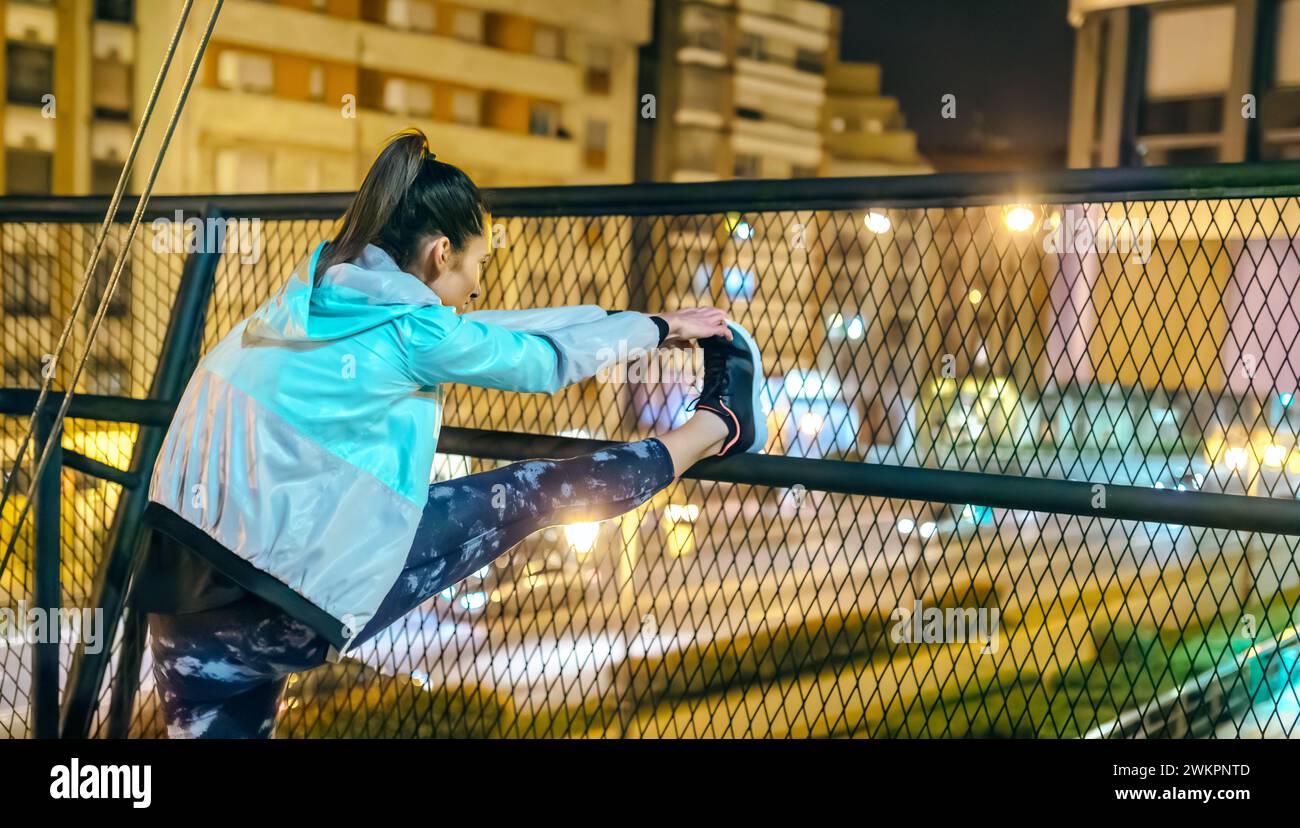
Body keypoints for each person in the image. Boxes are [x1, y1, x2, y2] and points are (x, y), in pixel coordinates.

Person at [130, 128, 769, 738]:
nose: (479, 283)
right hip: (282, 604)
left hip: (180, 615)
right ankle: (718, 426)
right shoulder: (411, 331)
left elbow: (494, 330)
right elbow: (542, 363)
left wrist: (639, 319)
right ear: (442, 253)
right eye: (479, 264)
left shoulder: (306, 300)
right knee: (533, 493)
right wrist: (658, 329)